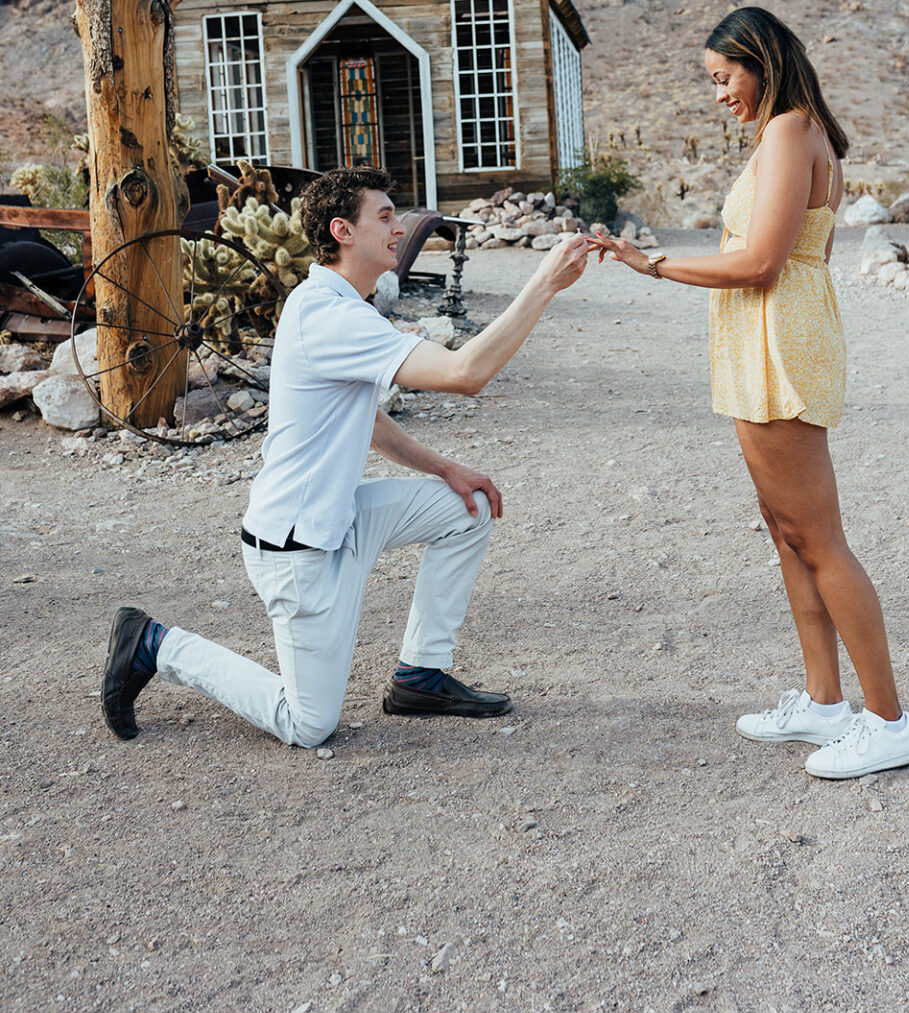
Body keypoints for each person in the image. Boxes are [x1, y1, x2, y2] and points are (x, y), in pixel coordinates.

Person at [101, 166, 589, 749]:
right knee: (308, 724)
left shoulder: (336, 303)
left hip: (341, 520)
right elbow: (466, 373)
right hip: (297, 550)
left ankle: (420, 677)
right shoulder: (329, 314)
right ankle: (154, 643)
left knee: (469, 507)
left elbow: (369, 419)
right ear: (343, 231)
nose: (399, 228)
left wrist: (447, 470)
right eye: (385, 217)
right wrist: (544, 283)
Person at [590, 7, 909, 780]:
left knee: (818, 538)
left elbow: (762, 263)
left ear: (760, 61)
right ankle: (825, 702)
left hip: (778, 346)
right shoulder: (799, 132)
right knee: (787, 529)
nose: (718, 95)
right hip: (769, 339)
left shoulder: (789, 130)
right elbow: (797, 256)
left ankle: (888, 722)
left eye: (723, 77)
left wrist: (651, 264)